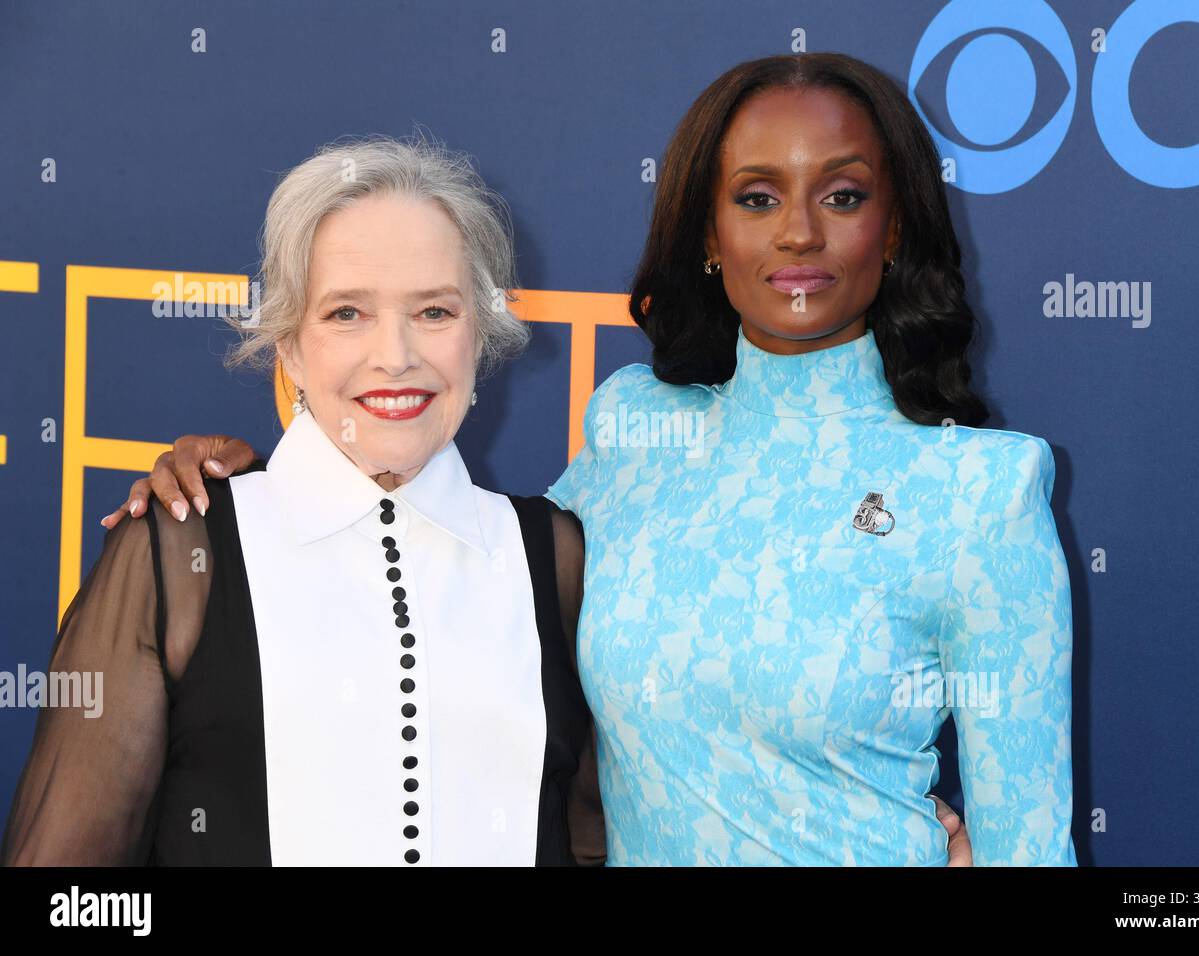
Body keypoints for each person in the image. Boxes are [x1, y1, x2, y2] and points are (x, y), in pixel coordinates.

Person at [102, 53, 1065, 866]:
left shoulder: (985, 490)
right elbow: (455, 574)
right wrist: (240, 482)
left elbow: (1032, 845)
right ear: (707, 232)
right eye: (758, 197)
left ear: (895, 227)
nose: (800, 232)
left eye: (844, 195)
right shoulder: (633, 430)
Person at [2, 135, 605, 866]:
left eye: (435, 312)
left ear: (480, 335)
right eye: (347, 312)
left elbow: (590, 842)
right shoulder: (181, 553)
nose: (396, 355)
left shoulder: (559, 556)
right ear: (288, 342)